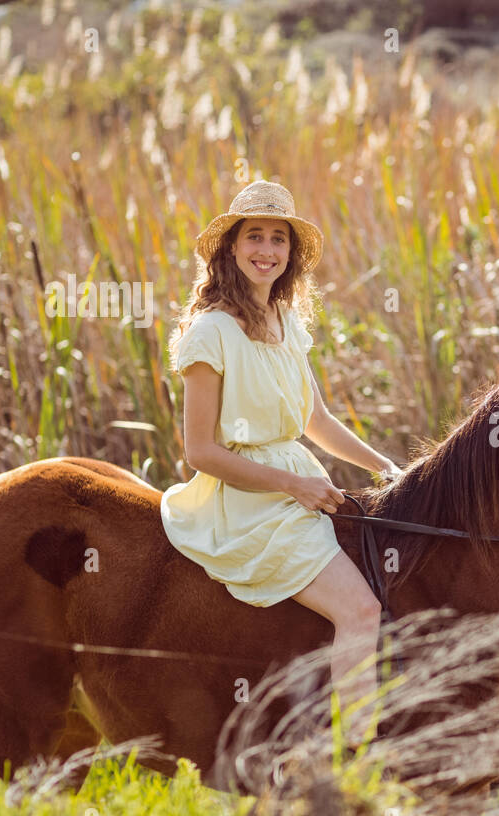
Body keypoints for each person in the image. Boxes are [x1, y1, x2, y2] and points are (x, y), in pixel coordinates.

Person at [160, 179, 399, 747]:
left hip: (297, 483)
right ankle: (364, 759)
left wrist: (386, 467)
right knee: (362, 611)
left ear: (291, 256)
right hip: (246, 500)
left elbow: (316, 422)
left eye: (278, 240)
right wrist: (292, 485)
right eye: (254, 236)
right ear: (230, 248)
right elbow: (200, 451)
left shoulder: (289, 324)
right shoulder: (209, 332)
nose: (266, 250)